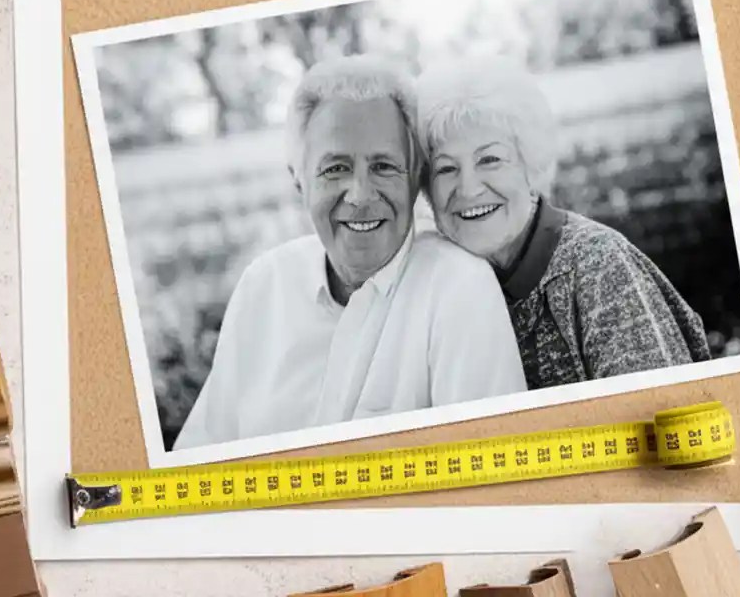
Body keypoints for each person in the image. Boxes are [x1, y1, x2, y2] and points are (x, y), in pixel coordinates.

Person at [174, 55, 526, 450]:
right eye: (335, 168)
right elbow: (200, 455)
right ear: (298, 179)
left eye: (383, 167)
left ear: (414, 180)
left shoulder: (460, 289)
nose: (360, 195)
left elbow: (490, 477)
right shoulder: (263, 286)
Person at [414, 56, 711, 391]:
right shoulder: (438, 284)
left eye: (490, 160)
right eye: (446, 168)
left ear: (530, 164)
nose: (468, 188)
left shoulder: (599, 266)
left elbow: (662, 407)